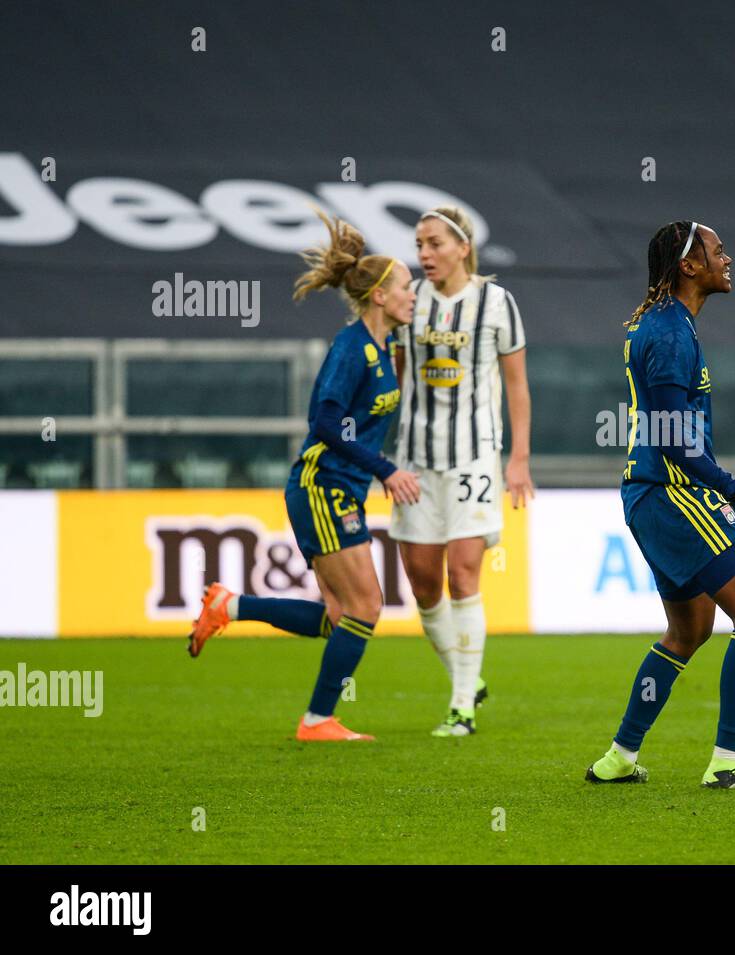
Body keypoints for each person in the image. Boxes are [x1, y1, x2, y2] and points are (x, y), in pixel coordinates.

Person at [186, 211, 421, 743]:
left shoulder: (384, 348)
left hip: (342, 486)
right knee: (365, 607)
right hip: (323, 484)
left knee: (338, 615)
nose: (414, 294)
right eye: (407, 285)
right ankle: (317, 720)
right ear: (380, 296)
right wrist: (386, 470)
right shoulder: (351, 347)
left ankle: (230, 606)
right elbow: (323, 420)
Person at [585, 221, 735, 789]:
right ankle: (727, 762)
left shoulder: (665, 325)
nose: (728, 258)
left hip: (652, 495)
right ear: (689, 265)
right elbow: (675, 439)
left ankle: (620, 756)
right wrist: (732, 487)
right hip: (675, 495)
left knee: (688, 632)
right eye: (718, 250)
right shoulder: (671, 334)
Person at [389, 207, 534, 737]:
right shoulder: (410, 301)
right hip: (415, 461)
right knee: (424, 584)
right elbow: (402, 379)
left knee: (464, 575)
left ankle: (461, 709)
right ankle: (465, 680)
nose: (424, 254)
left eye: (433, 243)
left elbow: (516, 385)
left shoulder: (497, 303)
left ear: (462, 246)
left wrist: (518, 458)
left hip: (475, 456)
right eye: (419, 244)